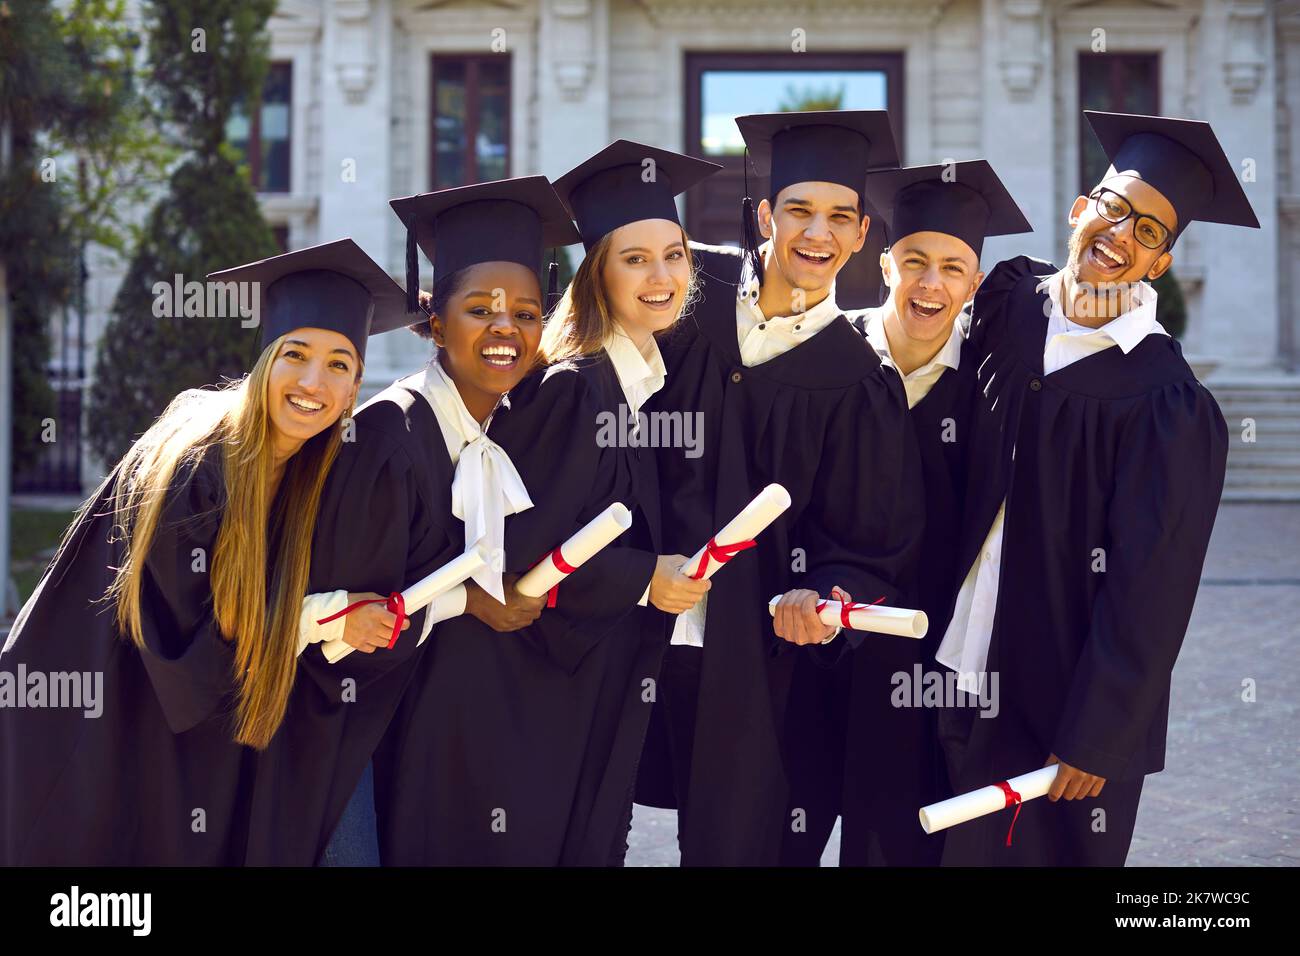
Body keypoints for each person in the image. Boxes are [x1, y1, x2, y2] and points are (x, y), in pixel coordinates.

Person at [0, 238, 406, 865]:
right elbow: (192, 641)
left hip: (171, 730)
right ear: (264, 360)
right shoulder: (198, 467)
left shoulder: (301, 471)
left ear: (355, 387)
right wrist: (328, 615)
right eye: (294, 355)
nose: (311, 382)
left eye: (338, 364)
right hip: (101, 717)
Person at [937, 112, 1258, 866]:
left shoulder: (1166, 403)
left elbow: (1152, 592)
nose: (1122, 234)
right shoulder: (1008, 307)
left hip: (1060, 713)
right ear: (1081, 209)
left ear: (1160, 265)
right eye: (1115, 208)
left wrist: (1100, 735)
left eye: (1149, 231)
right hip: (946, 666)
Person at [635, 110, 925, 865]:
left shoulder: (859, 382)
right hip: (624, 628)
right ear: (766, 215)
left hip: (749, 660)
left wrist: (824, 596)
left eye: (839, 217)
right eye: (798, 210)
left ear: (863, 235)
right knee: (579, 822)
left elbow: (866, 539)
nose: (816, 233)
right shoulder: (682, 289)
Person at [367, 176, 660, 865]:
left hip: (465, 708)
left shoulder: (493, 429)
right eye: (480, 309)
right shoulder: (393, 430)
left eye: (527, 314)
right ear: (435, 320)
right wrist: (467, 599)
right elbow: (355, 600)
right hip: (398, 714)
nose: (507, 329)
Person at [833, 160, 1033, 866]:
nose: (931, 283)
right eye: (915, 260)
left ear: (974, 284)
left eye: (954, 267)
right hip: (821, 632)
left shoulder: (988, 381)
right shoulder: (830, 358)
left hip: (930, 650)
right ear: (885, 263)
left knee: (897, 840)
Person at [544, 140, 718, 863]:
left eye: (674, 254)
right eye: (635, 258)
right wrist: (646, 575)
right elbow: (531, 553)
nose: (663, 275)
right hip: (563, 685)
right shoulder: (575, 387)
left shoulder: (645, 378)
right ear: (596, 273)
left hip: (607, 677)